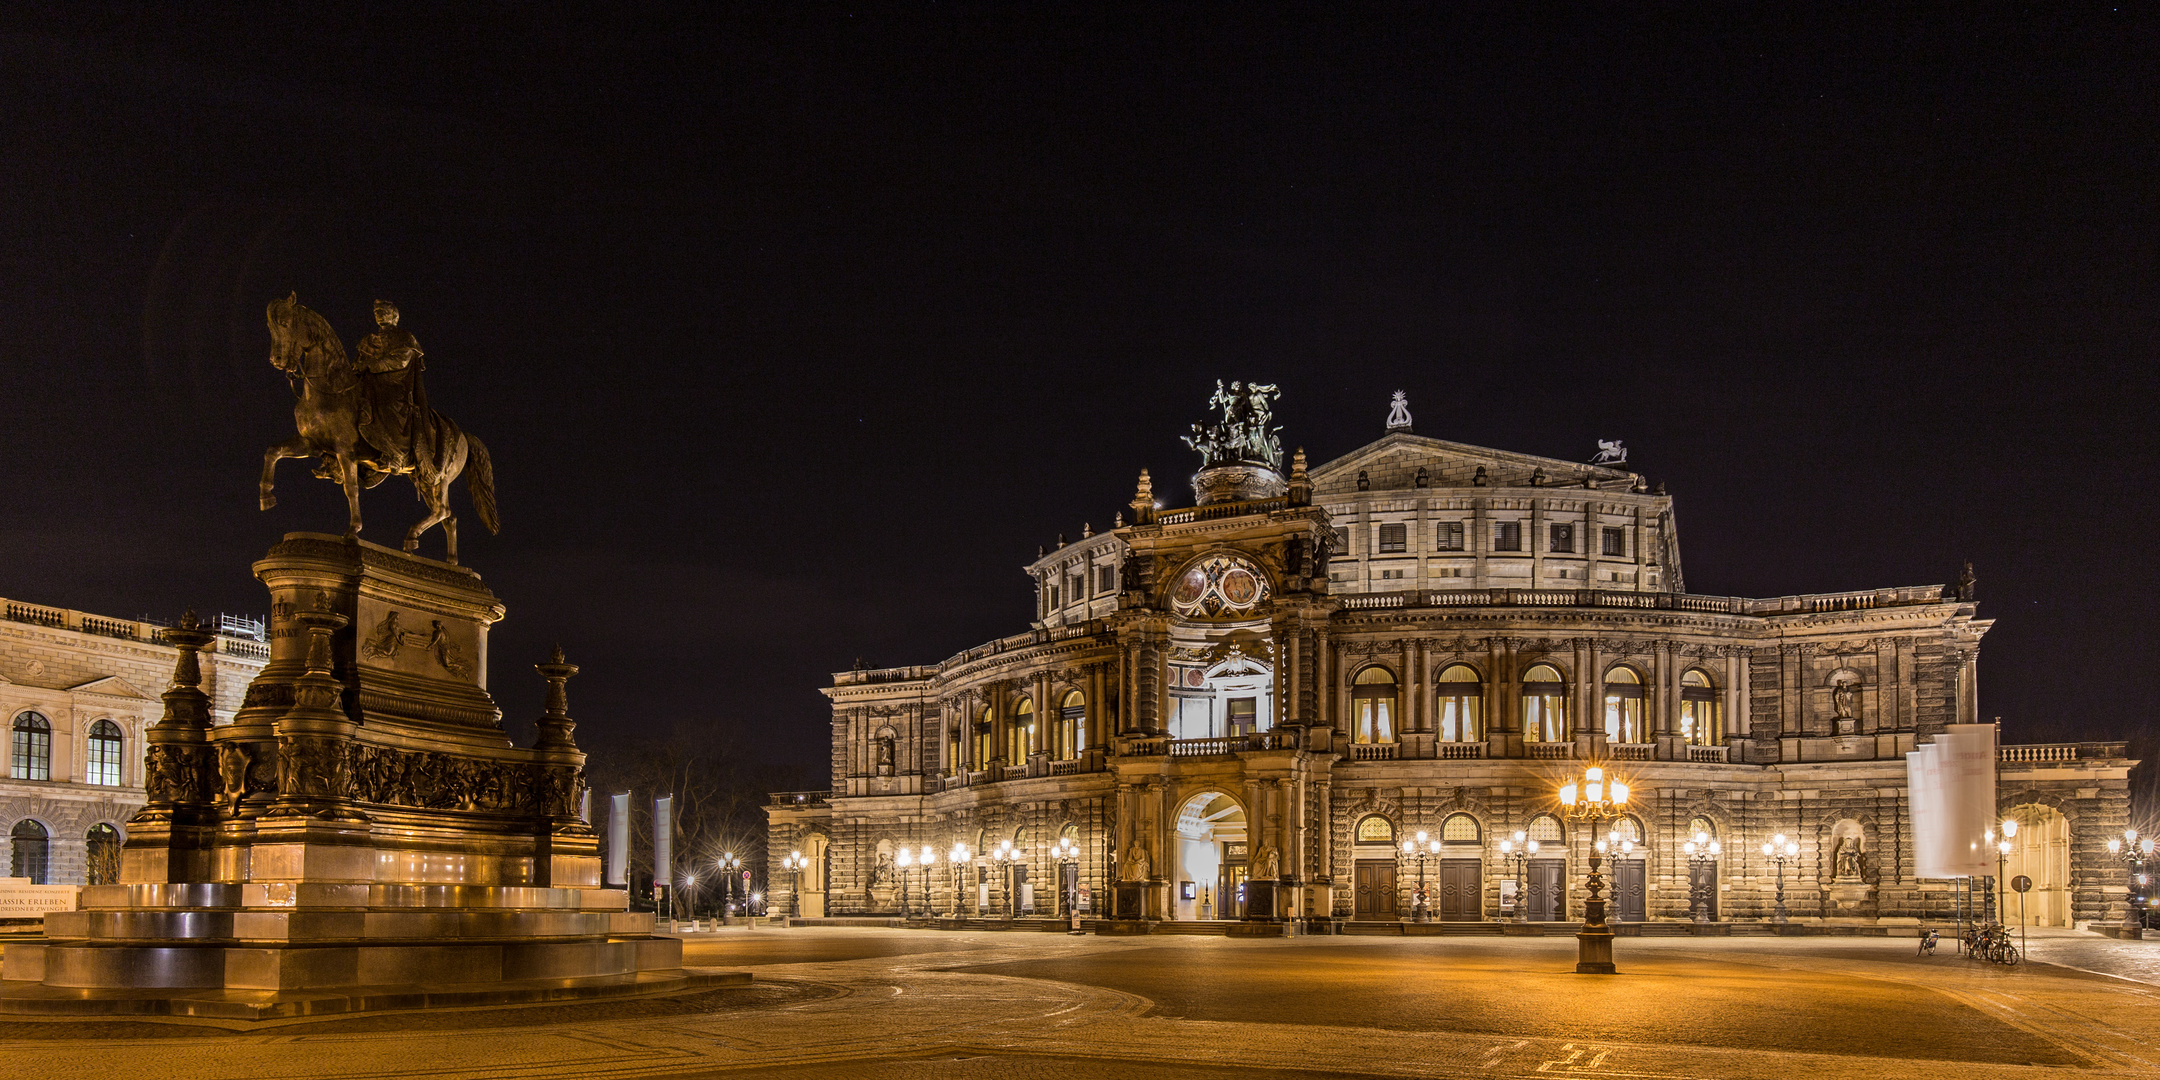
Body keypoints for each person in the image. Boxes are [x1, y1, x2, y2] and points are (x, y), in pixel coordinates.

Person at [354, 300, 428, 474]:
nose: (379, 314)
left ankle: (397, 454)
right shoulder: (369, 340)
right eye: (377, 311)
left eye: (384, 311)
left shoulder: (404, 337)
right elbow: (359, 361)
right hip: (369, 383)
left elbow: (401, 360)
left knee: (389, 406)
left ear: (394, 315)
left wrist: (372, 365)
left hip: (394, 384)